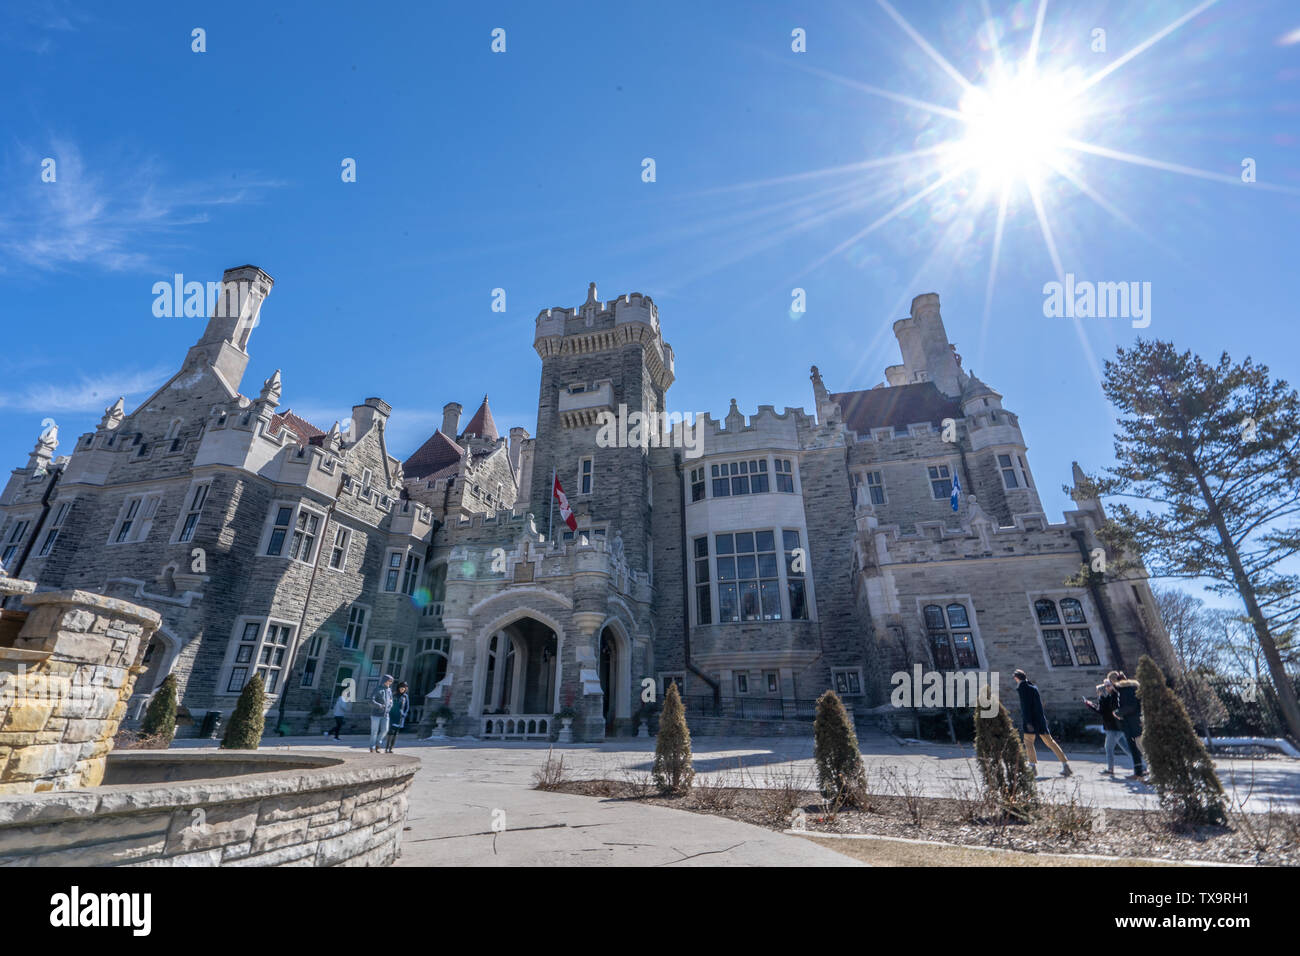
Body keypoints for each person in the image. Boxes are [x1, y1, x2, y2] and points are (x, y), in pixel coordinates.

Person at [1013, 669, 1072, 777]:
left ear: (1017, 678)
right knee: (1051, 742)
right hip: (1040, 720)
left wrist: (1028, 722)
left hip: (1030, 720)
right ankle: (1065, 765)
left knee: (1028, 743)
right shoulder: (1033, 687)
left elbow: (1026, 707)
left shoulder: (1023, 688)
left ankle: (1032, 767)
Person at [1084, 678, 1132, 774]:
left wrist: (1098, 700)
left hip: (1113, 727)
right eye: (1105, 686)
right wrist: (1092, 704)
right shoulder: (1110, 697)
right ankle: (1141, 767)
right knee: (1126, 749)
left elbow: (1103, 711)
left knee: (1108, 748)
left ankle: (1110, 769)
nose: (1106, 688)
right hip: (1116, 727)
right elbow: (1102, 709)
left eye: (1108, 685)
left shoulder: (1113, 697)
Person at [1110, 670, 1146, 778]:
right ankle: (1138, 772)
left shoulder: (1125, 690)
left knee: (1142, 748)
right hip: (1130, 723)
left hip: (1134, 724)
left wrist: (1118, 712)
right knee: (1135, 749)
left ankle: (1152, 773)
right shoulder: (1126, 689)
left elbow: (1131, 706)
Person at [369, 674, 394, 753]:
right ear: (384, 680)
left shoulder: (389, 690)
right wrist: (379, 705)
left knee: (385, 730)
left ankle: (378, 744)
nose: (390, 683)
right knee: (374, 731)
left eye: (391, 681)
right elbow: (371, 700)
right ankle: (372, 747)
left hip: (386, 714)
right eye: (389, 681)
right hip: (376, 714)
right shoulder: (377, 689)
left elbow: (391, 701)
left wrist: (389, 708)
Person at [384, 681, 410, 753]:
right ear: (398, 688)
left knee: (396, 733)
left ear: (405, 689)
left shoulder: (405, 696)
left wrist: (404, 714)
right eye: (401, 688)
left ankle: (391, 748)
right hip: (392, 715)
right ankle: (387, 748)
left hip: (400, 717)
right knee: (391, 731)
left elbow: (407, 707)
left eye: (404, 688)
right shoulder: (394, 695)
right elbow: (389, 704)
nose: (402, 689)